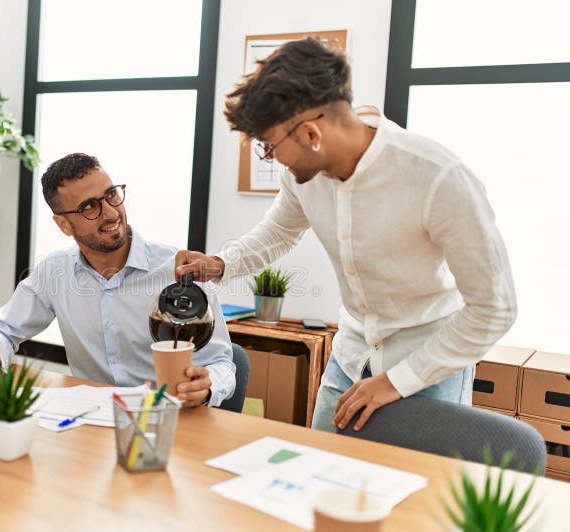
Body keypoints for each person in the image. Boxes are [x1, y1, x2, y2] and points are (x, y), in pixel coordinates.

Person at [175, 38, 516, 429]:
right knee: (323, 478)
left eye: (269, 147)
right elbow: (279, 232)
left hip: (429, 363)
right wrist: (218, 264)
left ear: (310, 134)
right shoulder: (303, 178)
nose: (272, 159)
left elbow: (495, 308)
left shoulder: (437, 177)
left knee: (418, 489)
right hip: (351, 356)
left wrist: (395, 382)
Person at [0, 153, 236, 408]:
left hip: (168, 419)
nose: (110, 213)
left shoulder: (180, 270)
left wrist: (208, 386)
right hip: (88, 423)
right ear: (63, 225)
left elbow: (222, 362)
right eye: (89, 207)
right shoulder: (54, 270)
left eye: (111, 195)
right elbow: (2, 328)